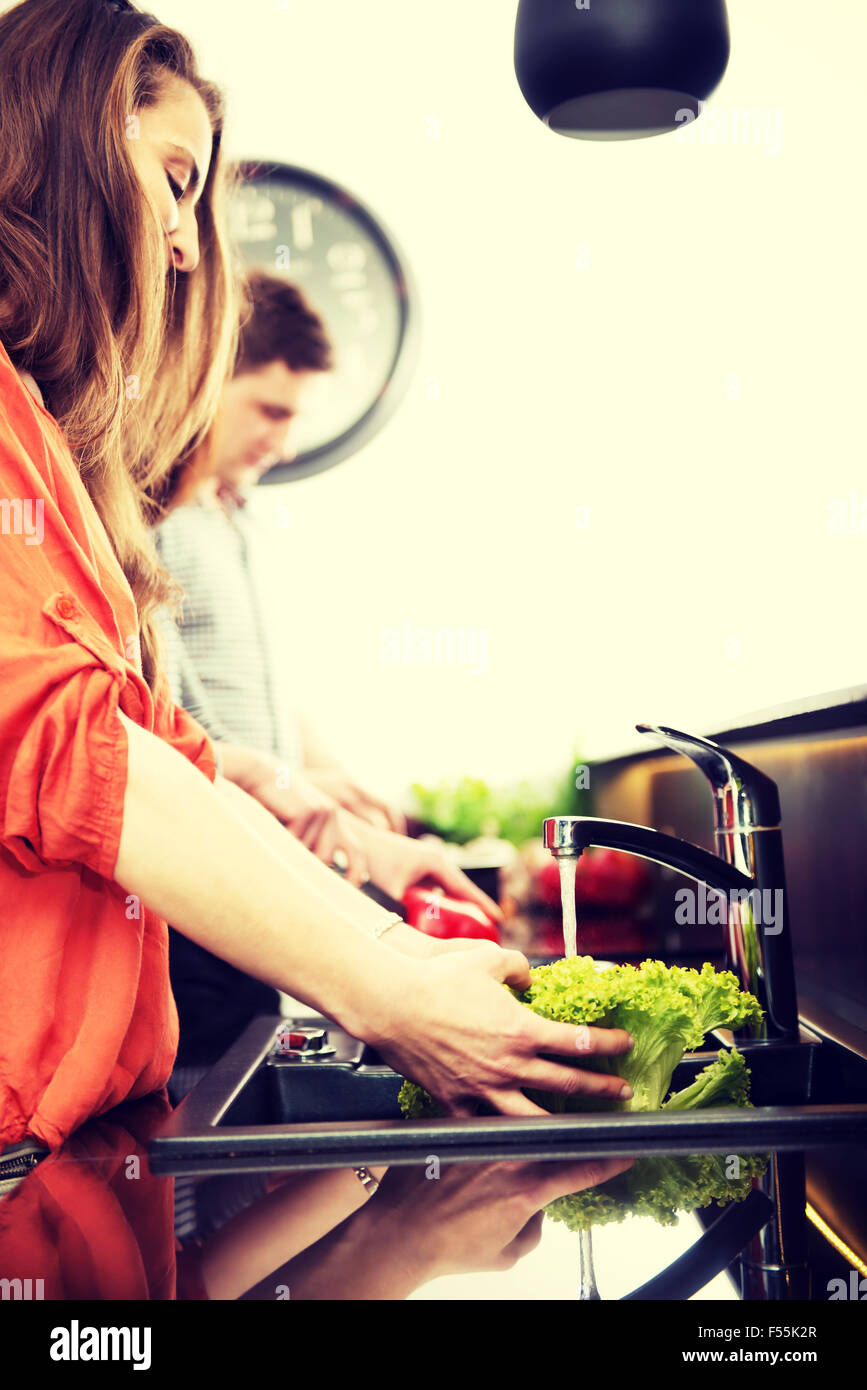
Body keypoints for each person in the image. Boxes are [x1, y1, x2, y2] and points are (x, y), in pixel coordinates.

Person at [0, 0, 635, 1173]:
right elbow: (90, 755)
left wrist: (395, 969)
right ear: (56, 149)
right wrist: (391, 993)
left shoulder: (41, 439)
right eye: (175, 180)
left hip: (77, 1138)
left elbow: (166, 757)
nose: (187, 247)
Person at [155, 272, 505, 1063]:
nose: (281, 441)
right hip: (197, 883)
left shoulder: (229, 517)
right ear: (207, 372)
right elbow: (168, 722)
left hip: (262, 863)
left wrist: (338, 792)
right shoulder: (155, 514)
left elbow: (263, 704)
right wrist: (302, 797)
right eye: (270, 410)